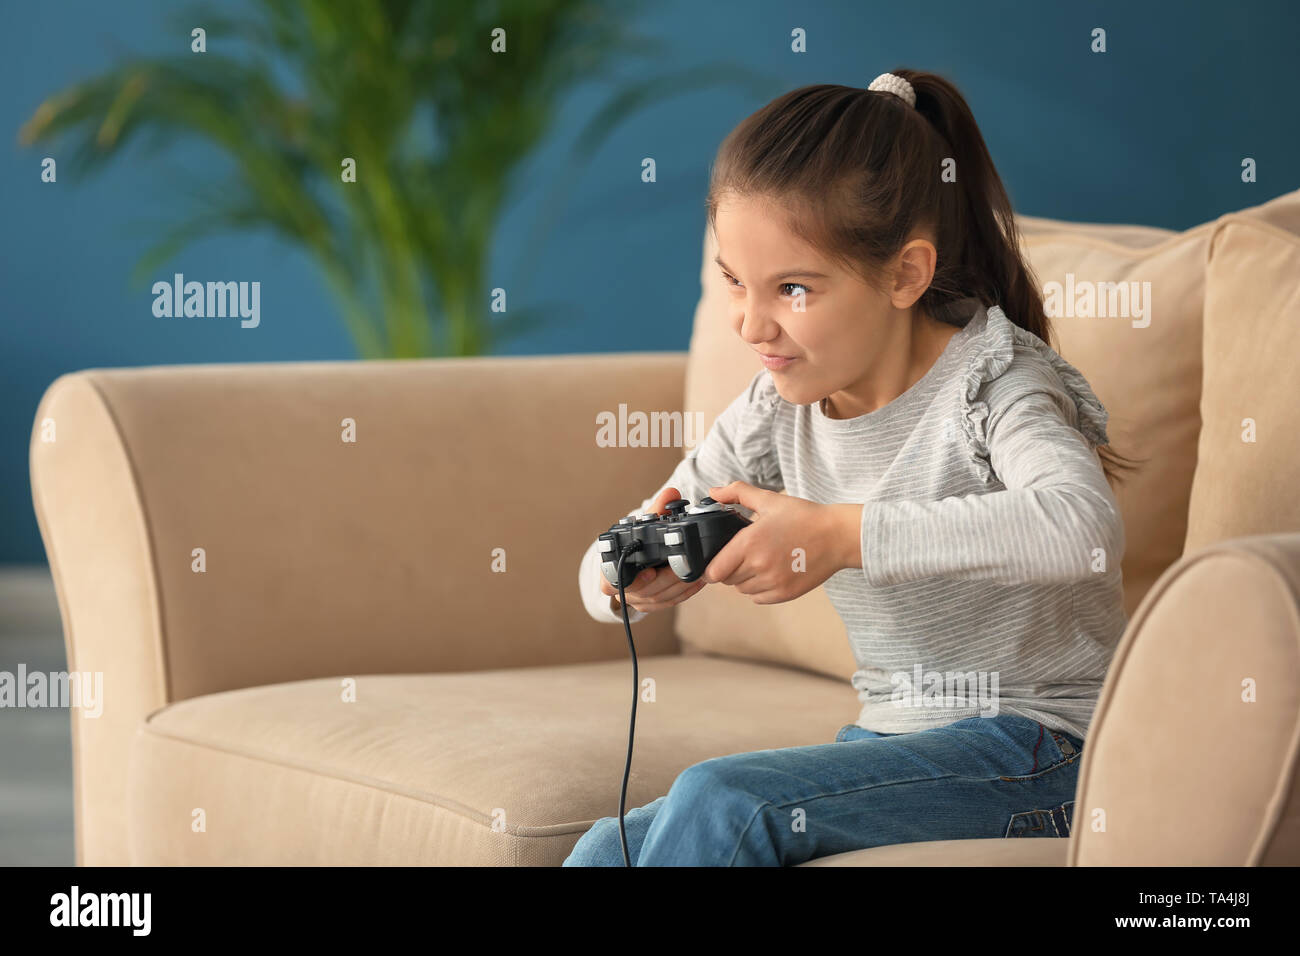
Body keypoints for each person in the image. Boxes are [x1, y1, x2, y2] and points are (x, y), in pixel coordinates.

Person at [566, 69, 1139, 866]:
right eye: (736, 282)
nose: (750, 323)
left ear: (904, 274)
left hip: (1051, 753)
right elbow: (606, 556)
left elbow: (1081, 527)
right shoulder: (776, 407)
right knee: (607, 849)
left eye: (792, 288)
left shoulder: (993, 384)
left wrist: (837, 535)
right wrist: (628, 582)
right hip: (893, 737)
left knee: (724, 800)